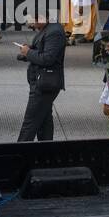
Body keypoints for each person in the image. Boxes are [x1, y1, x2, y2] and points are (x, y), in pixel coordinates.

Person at [17, 10, 66, 142]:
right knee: (44, 123)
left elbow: (48, 59)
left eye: (31, 21)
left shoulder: (54, 32)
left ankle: (17, 156)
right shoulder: (48, 28)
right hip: (41, 82)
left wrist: (28, 53)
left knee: (29, 124)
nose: (30, 24)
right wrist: (27, 52)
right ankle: (45, 154)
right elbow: (42, 51)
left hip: (45, 85)